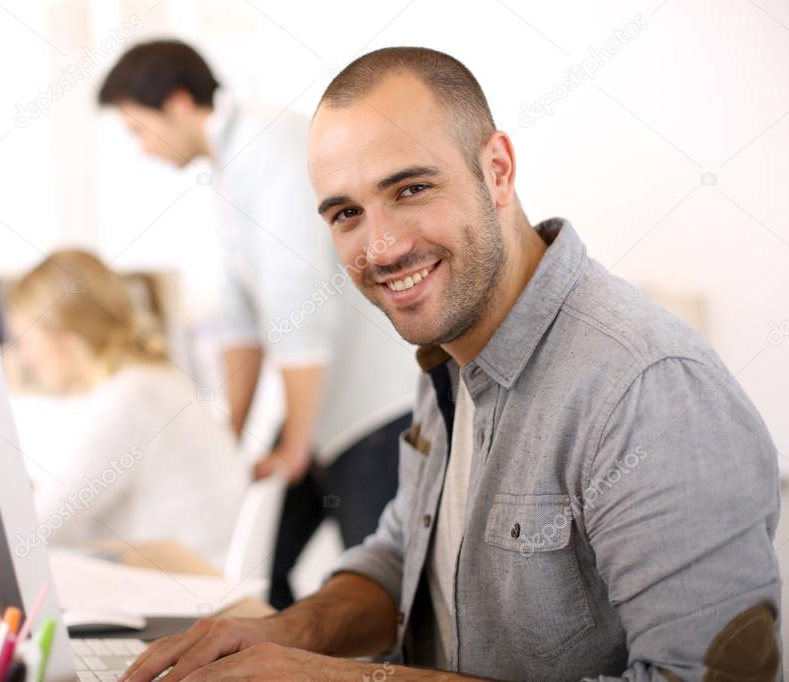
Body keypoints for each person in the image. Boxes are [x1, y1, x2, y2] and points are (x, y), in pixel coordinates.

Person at [118, 47, 781, 681]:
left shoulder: (648, 389)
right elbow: (404, 556)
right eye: (346, 213)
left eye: (408, 189)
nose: (380, 248)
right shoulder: (451, 356)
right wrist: (288, 634)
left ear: (496, 168)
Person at [98, 40, 418, 608]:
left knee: (379, 597)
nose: (141, 148)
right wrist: (231, 435)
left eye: (138, 128)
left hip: (370, 412)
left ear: (176, 102)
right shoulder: (225, 172)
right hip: (319, 414)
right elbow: (239, 322)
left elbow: (299, 300)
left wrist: (292, 444)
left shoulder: (267, 143)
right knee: (255, 579)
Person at [6, 249, 245, 567]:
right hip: (202, 576)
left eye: (25, 341)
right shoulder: (155, 380)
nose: (25, 359)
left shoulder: (124, 401)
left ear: (62, 335)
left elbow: (34, 534)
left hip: (181, 592)